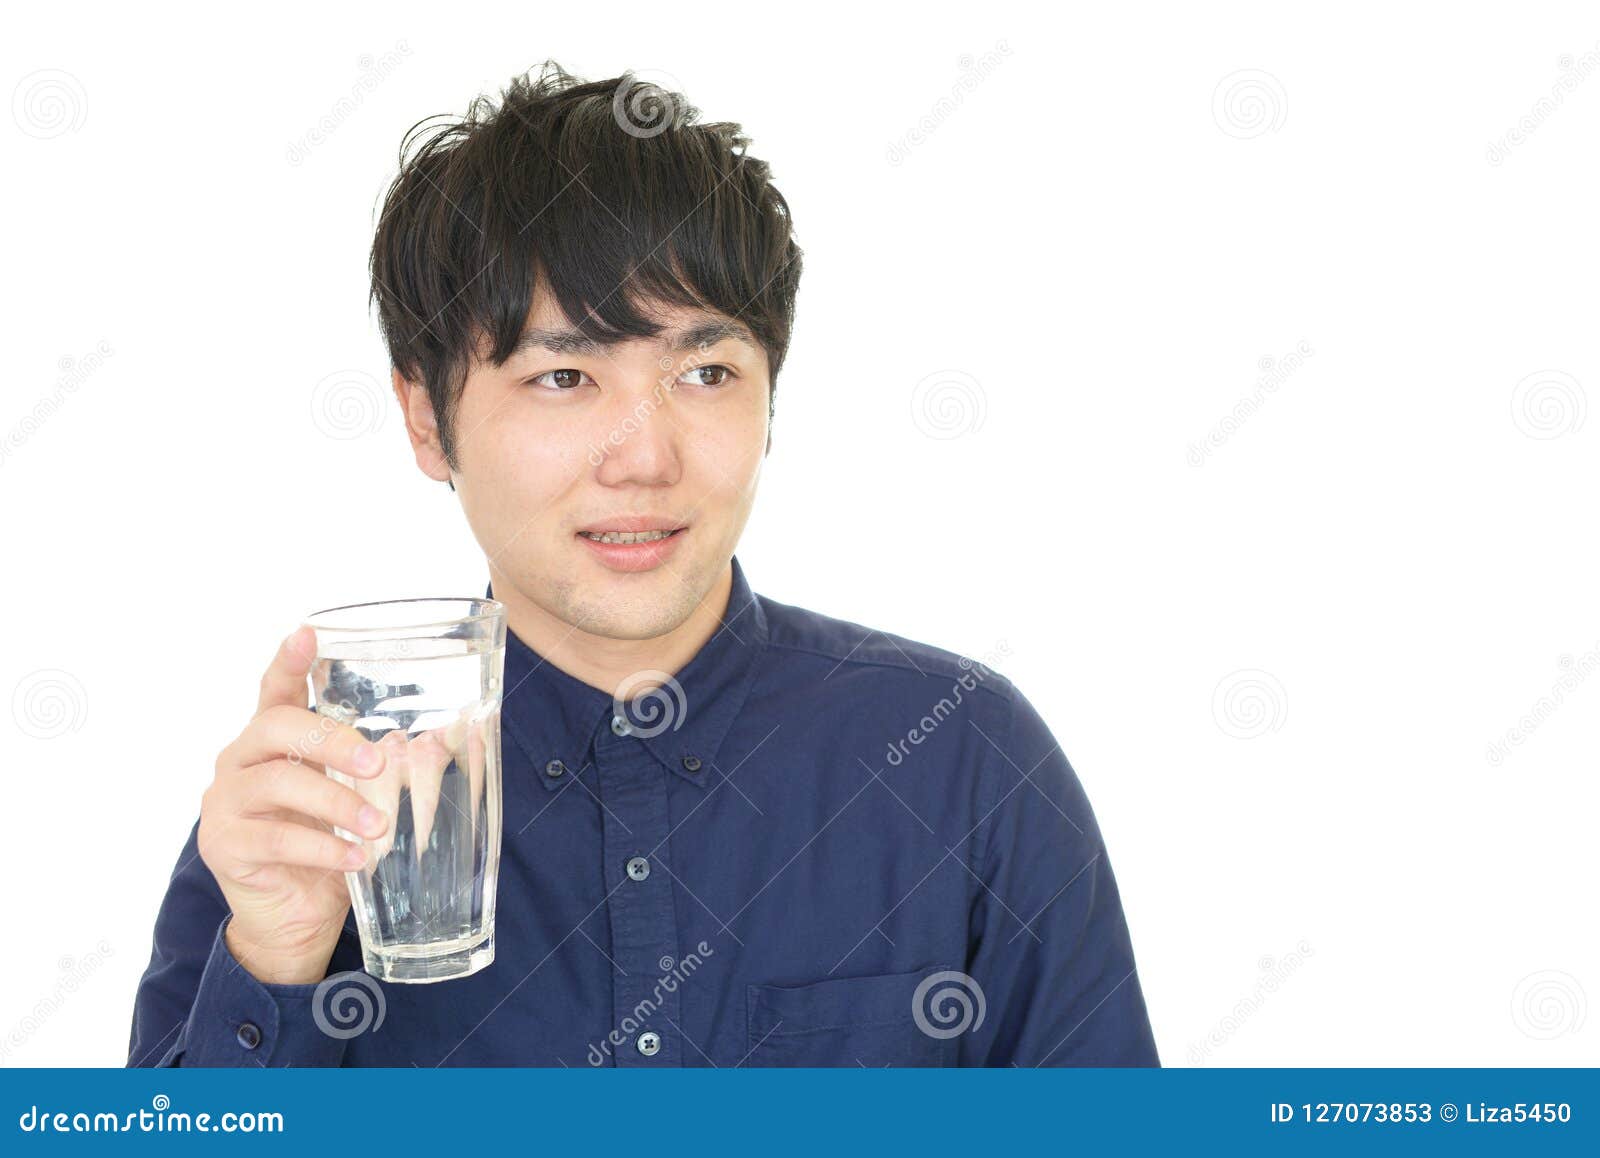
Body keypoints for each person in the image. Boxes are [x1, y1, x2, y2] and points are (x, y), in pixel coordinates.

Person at [127, 61, 1158, 1067]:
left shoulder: (961, 759)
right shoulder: (315, 807)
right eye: (563, 376)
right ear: (426, 419)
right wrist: (276, 959)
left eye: (705, 372)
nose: (646, 458)